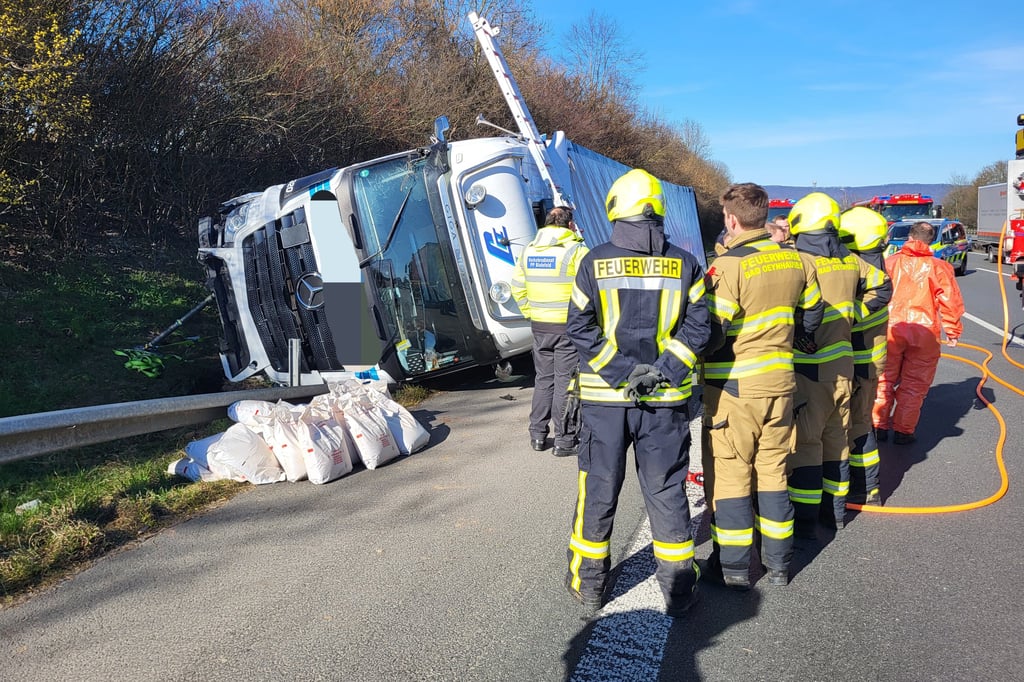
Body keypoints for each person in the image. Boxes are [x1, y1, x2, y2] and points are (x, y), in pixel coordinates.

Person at [564, 169, 710, 616]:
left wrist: (623, 373)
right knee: (666, 490)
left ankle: (590, 585)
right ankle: (677, 588)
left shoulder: (593, 262)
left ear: (615, 209)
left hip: (606, 403)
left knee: (600, 487)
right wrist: (661, 372)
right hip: (663, 403)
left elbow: (579, 327)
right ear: (657, 211)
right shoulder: (686, 264)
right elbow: (699, 326)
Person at [700, 183, 823, 589]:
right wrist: (798, 338)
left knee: (733, 477)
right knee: (773, 473)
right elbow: (814, 310)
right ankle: (780, 565)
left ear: (732, 220)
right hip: (782, 385)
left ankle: (733, 571)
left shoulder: (728, 267)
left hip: (734, 389)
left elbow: (711, 333)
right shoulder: (798, 261)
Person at [787, 193, 888, 535]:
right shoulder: (851, 261)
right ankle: (836, 514)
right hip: (844, 366)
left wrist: (803, 332)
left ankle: (805, 523)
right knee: (838, 441)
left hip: (811, 368)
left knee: (807, 445)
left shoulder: (800, 261)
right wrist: (851, 317)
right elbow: (883, 287)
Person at [873, 220, 964, 444]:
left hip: (891, 329)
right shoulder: (940, 267)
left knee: (883, 379)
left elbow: (876, 296)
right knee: (915, 384)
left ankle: (878, 426)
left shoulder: (890, 263)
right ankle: (904, 431)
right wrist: (952, 331)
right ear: (930, 240)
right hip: (924, 332)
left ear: (910, 238)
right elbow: (950, 302)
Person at [510, 206, 589, 456]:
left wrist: (531, 312)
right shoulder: (577, 251)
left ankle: (537, 435)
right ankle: (565, 440)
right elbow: (591, 291)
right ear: (569, 225)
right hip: (567, 328)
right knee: (566, 383)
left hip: (540, 326)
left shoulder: (529, 251)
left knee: (543, 380)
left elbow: (517, 288)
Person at [838, 207, 893, 505]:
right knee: (859, 423)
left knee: (856, 425)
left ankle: (865, 487)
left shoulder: (863, 269)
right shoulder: (874, 264)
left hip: (860, 359)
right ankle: (866, 487)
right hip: (868, 359)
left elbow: (852, 315)